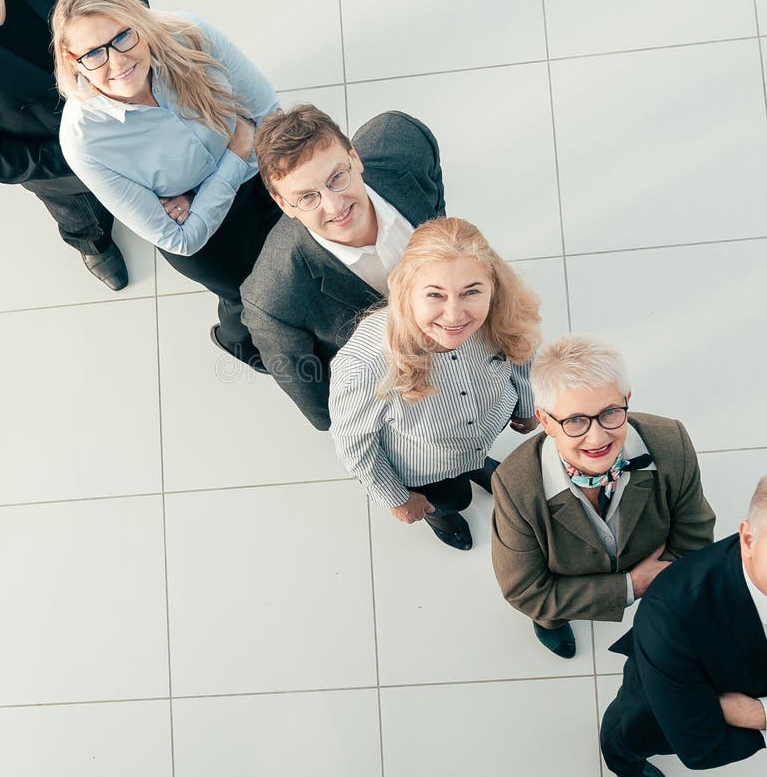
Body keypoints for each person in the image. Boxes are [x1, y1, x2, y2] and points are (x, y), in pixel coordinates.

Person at [53, 0, 281, 366]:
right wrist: (237, 150)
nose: (117, 62)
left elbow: (270, 117)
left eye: (122, 37)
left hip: (259, 177)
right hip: (211, 239)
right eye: (94, 53)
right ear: (73, 60)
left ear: (140, 23)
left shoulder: (189, 34)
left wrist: (200, 194)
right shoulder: (84, 141)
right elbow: (181, 239)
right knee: (251, 299)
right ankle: (236, 341)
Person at [491, 334, 715, 659]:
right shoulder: (515, 486)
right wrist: (630, 586)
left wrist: (663, 587)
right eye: (575, 420)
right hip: (566, 583)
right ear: (546, 421)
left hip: (652, 573)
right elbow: (527, 592)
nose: (596, 438)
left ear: (627, 399)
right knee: (547, 613)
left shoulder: (672, 442)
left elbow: (695, 538)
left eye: (610, 412)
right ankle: (552, 624)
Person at [328, 218, 541, 551]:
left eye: (471, 292)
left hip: (487, 424)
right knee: (454, 499)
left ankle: (477, 464)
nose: (454, 315)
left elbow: (522, 353)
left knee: (478, 459)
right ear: (407, 290)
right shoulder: (366, 364)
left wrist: (527, 406)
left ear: (494, 286)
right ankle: (441, 517)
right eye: (435, 295)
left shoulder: (505, 312)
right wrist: (397, 499)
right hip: (427, 465)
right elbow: (353, 441)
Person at [241, 105, 445, 426]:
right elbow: (325, 412)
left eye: (337, 177)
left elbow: (436, 199)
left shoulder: (405, 140)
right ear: (283, 204)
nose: (335, 207)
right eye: (307, 197)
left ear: (354, 156)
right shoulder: (272, 303)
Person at [0, 0, 148, 290]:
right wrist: (77, 156)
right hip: (53, 158)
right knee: (78, 212)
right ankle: (92, 242)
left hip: (134, 88)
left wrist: (133, 45)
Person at [600, 479, 767, 777]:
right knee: (625, 740)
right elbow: (702, 750)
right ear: (748, 539)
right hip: (664, 699)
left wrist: (759, 713)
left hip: (733, 684)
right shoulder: (671, 612)